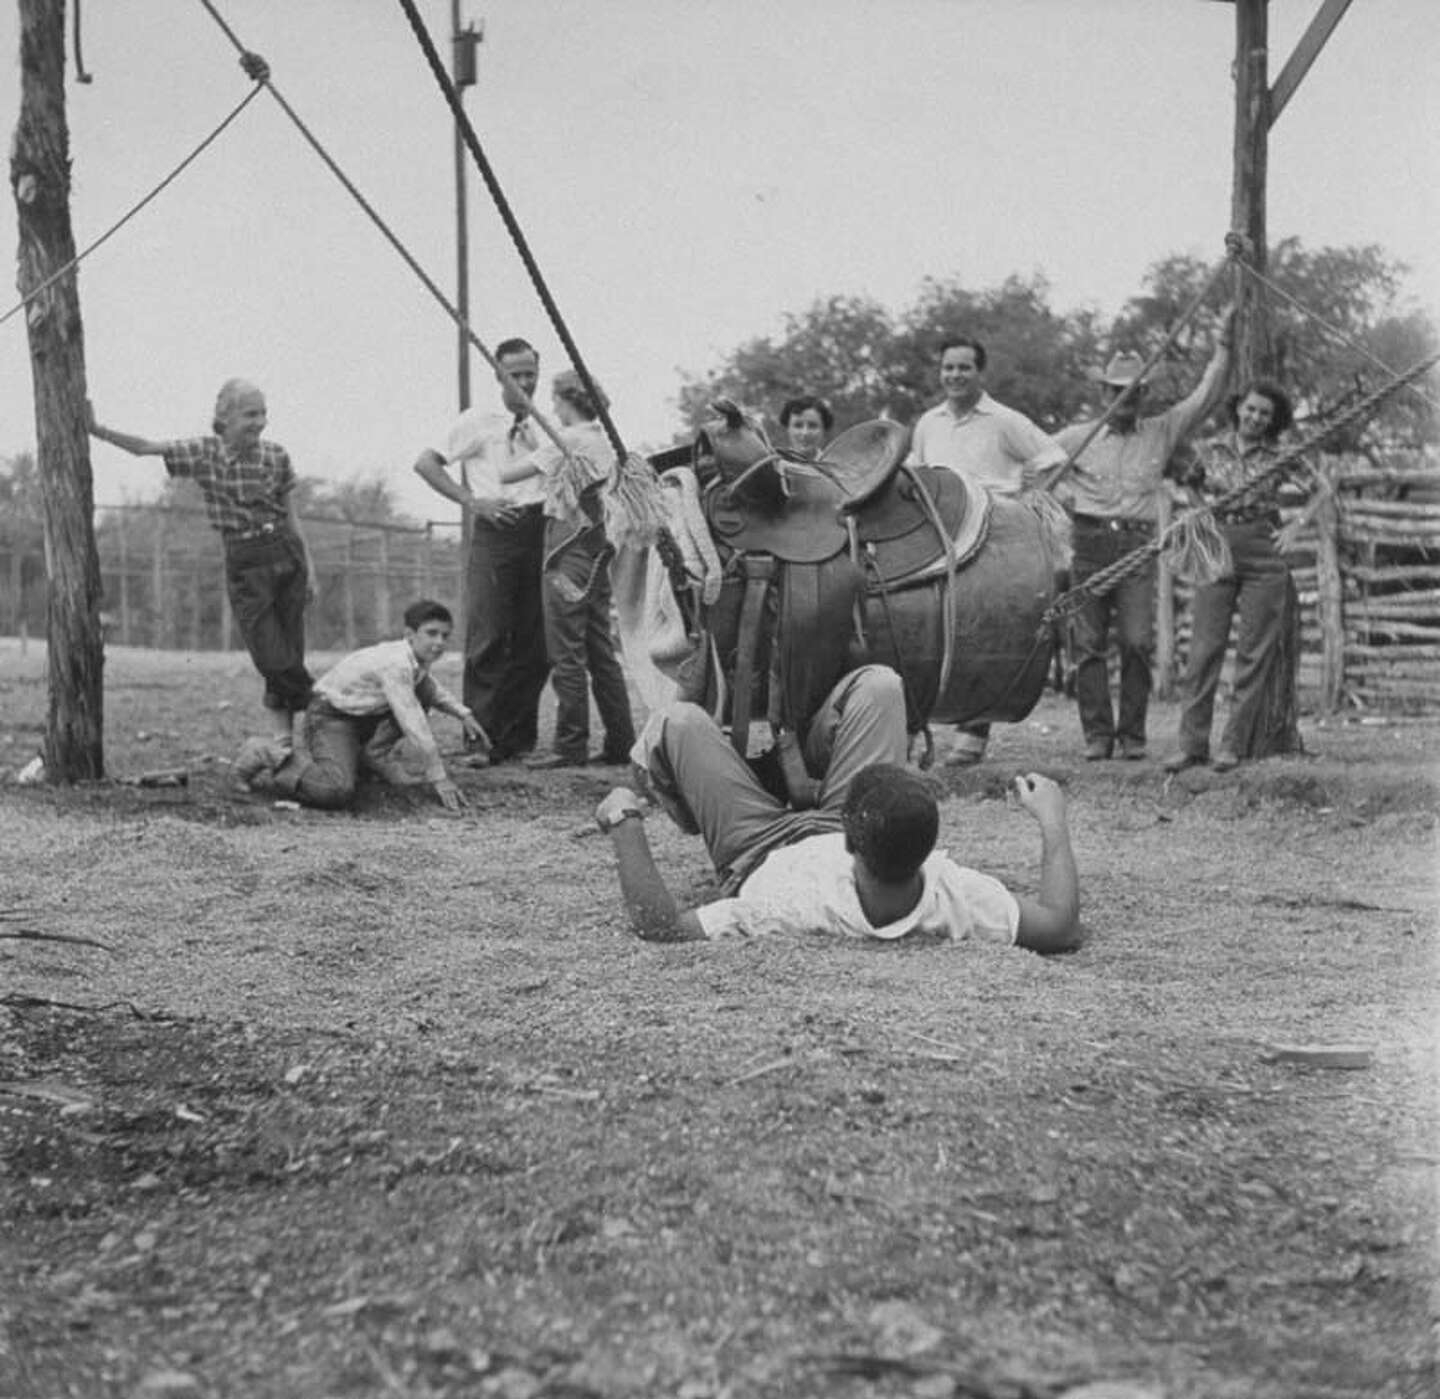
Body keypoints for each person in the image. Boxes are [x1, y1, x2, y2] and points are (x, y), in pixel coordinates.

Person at [593, 664, 1080, 949]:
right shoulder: (955, 891)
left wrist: (624, 820)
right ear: (930, 851)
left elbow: (662, 927)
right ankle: (803, 743)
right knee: (882, 684)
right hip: (838, 823)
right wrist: (1052, 819)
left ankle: (777, 762)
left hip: (756, 850)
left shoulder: (785, 909)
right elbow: (1060, 927)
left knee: (677, 721)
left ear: (850, 837)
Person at [88, 381, 315, 750]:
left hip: (286, 555)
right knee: (272, 657)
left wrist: (310, 569)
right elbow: (145, 447)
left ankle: (283, 743)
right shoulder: (204, 452)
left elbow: (293, 517)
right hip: (245, 559)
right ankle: (329, 707)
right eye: (250, 414)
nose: (260, 422)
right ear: (224, 418)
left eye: (263, 413)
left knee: (290, 651)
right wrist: (98, 430)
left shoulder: (276, 455)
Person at [1054, 312, 1234, 761]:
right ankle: (1098, 736)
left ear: (1144, 394)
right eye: (1117, 391)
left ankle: (1132, 735)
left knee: (1137, 641)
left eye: (1133, 391)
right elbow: (1033, 464)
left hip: (1136, 546)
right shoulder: (1078, 436)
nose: (1125, 399)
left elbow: (1205, 396)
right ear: (1103, 393)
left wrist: (1224, 345)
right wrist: (1060, 499)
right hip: (1089, 542)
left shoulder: (1161, 430)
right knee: (1089, 644)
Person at [905, 336, 1068, 766]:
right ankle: (911, 726)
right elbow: (916, 468)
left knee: (980, 624)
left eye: (964, 368)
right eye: (948, 368)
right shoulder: (929, 422)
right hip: (938, 529)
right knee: (928, 620)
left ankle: (973, 731)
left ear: (980, 372)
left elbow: (1054, 457)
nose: (955, 376)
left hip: (991, 529)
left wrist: (1029, 498)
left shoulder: (1004, 419)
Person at [412, 337, 549, 765]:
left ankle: (517, 739)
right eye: (515, 374)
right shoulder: (477, 421)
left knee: (535, 641)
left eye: (530, 373)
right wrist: (473, 502)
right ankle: (480, 740)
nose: (524, 382)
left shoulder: (549, 422)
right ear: (498, 375)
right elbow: (426, 463)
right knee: (489, 635)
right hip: (496, 531)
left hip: (541, 528)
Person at [497, 369, 636, 769]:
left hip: (566, 543)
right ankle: (621, 739)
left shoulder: (570, 439)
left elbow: (508, 475)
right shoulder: (604, 440)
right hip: (598, 543)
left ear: (567, 400)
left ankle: (570, 744)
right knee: (598, 648)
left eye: (556, 402)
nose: (553, 409)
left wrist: (523, 445)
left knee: (566, 649)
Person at [1164, 380, 1304, 774]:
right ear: (1239, 408)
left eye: (1265, 414)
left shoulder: (1281, 455)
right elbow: (1189, 483)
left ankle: (1232, 745)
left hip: (1263, 551)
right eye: (1251, 409)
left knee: (1253, 652)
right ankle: (1191, 744)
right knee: (1204, 649)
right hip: (1219, 549)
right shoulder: (1211, 448)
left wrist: (1295, 527)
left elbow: (1323, 487)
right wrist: (1201, 514)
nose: (1256, 418)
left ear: (1272, 421)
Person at [235, 599, 486, 811]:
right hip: (330, 717)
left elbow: (429, 687)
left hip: (363, 716)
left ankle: (373, 757)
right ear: (410, 635)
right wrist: (439, 777)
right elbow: (413, 722)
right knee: (336, 790)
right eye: (431, 633)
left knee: (423, 693)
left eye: (445, 635)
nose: (440, 642)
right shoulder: (395, 663)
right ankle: (267, 753)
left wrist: (463, 714)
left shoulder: (414, 660)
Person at [778, 395, 834, 461]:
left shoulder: (836, 468)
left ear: (824, 430)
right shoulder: (774, 466)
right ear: (788, 429)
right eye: (798, 426)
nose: (805, 433)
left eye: (813, 426)